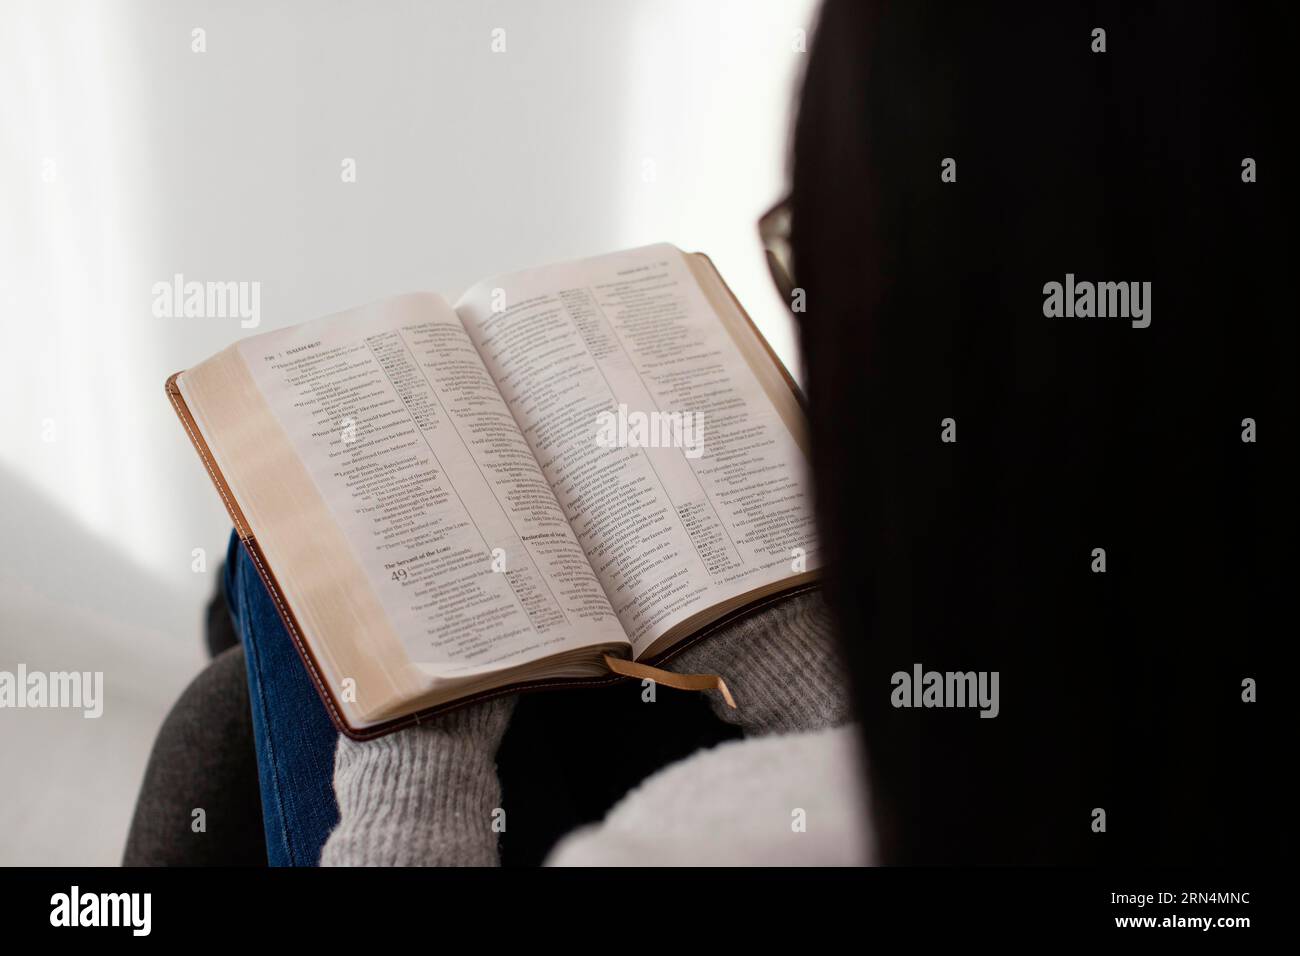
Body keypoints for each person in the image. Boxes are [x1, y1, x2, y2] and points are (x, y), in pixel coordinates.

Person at [126, 0, 1289, 866]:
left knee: (251, 653)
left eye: (813, 260)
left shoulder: (693, 846)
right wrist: (841, 693)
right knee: (235, 676)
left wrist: (414, 775)